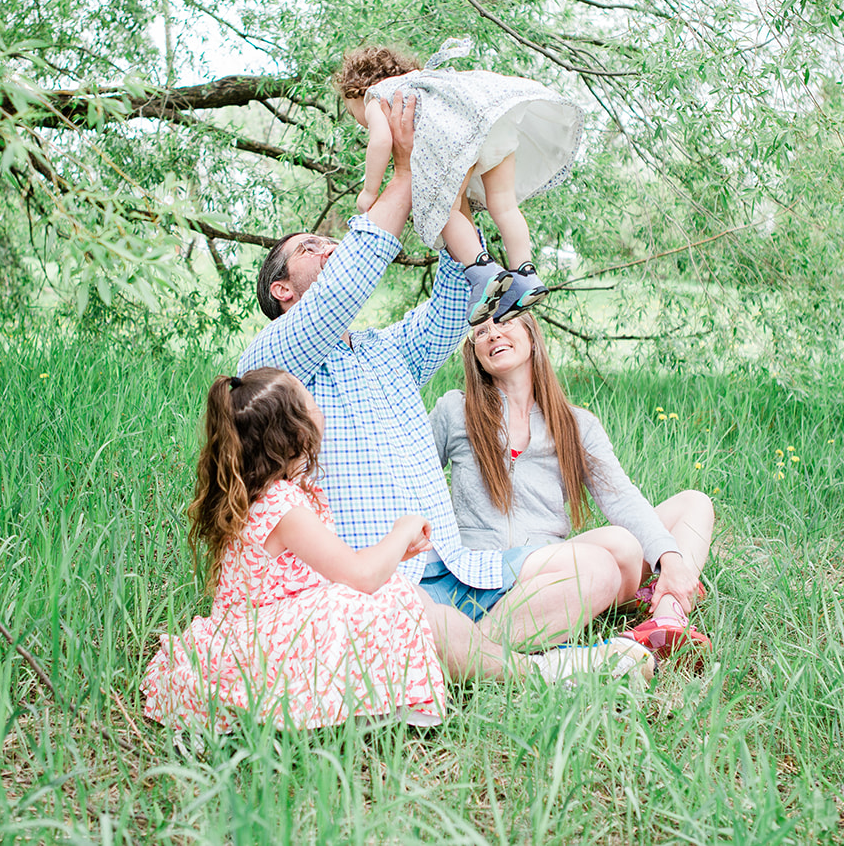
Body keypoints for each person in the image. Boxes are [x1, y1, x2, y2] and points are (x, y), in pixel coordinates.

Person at [241, 90, 651, 686]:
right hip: (379, 580)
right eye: (310, 249)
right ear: (283, 291)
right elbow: (346, 283)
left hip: (454, 568)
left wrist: (446, 180)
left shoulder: (384, 349)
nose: (328, 247)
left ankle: (461, 656)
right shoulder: (275, 365)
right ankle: (535, 672)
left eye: (330, 241)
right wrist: (403, 171)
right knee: (433, 619)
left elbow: (454, 299)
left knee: (604, 563)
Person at [141, 368, 446, 731]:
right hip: (258, 648)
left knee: (371, 587)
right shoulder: (284, 505)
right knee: (388, 592)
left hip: (248, 638)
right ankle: (379, 707)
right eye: (309, 401)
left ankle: (364, 701)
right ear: (296, 432)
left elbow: (327, 569)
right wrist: (404, 528)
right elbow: (360, 576)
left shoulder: (258, 492)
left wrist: (393, 554)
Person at [431, 313, 715, 657]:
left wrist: (669, 559)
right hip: (479, 570)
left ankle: (668, 615)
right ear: (474, 352)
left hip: (547, 563)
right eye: (481, 331)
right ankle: (472, 647)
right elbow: (408, 480)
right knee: (618, 547)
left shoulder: (576, 424)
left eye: (504, 322)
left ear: (532, 335)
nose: (492, 334)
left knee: (693, 504)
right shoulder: (455, 410)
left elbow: (620, 497)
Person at [332, 42, 582, 325]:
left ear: (357, 91)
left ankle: (483, 271)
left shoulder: (378, 97)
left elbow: (380, 140)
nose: (360, 121)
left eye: (354, 115)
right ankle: (525, 274)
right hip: (494, 123)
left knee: (443, 208)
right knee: (505, 205)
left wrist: (369, 192)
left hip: (456, 137)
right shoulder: (424, 81)